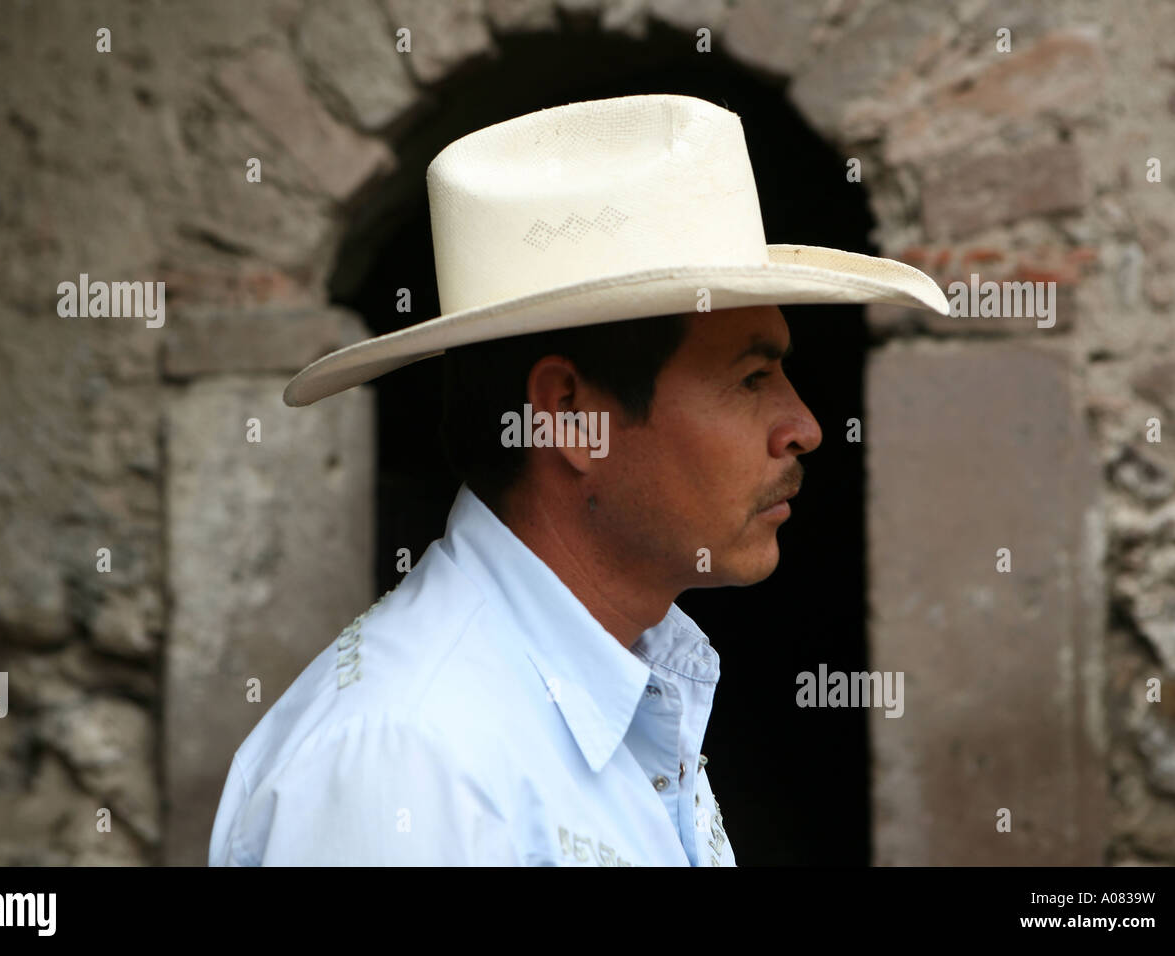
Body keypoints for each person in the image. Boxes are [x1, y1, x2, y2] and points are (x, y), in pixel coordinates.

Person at [208, 93, 948, 866]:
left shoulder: (632, 678)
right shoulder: (404, 763)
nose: (804, 425)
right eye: (752, 377)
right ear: (566, 413)